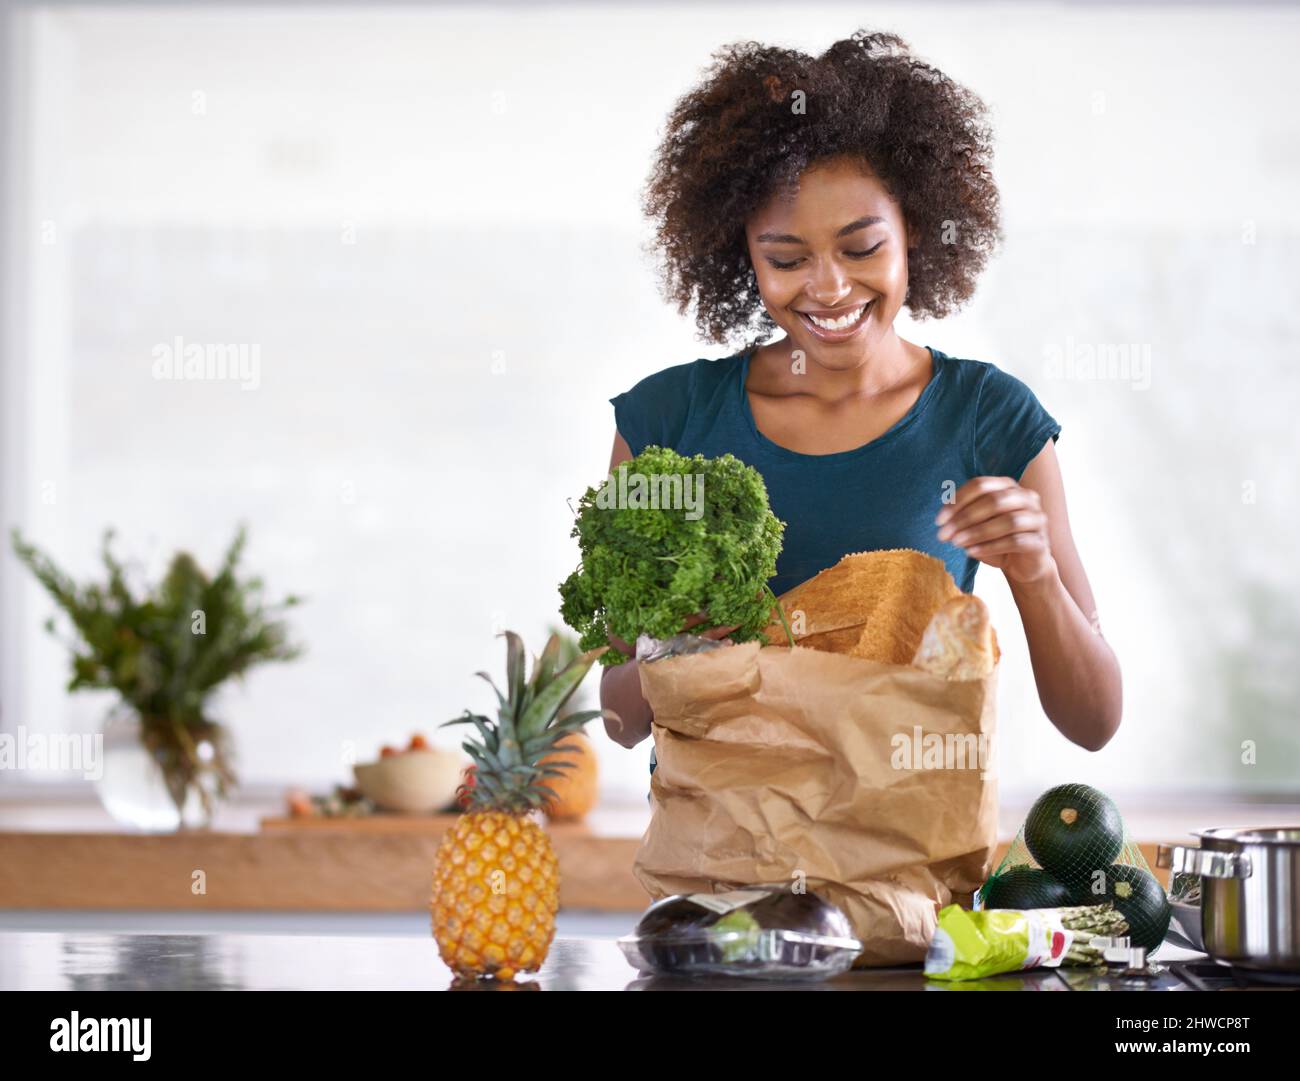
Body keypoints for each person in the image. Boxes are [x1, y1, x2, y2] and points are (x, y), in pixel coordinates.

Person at [600, 30, 1121, 785]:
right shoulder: (667, 420)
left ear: (914, 231)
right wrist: (665, 655)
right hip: (721, 877)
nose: (831, 287)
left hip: (907, 875)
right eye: (786, 259)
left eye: (862, 247)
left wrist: (1034, 573)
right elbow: (618, 723)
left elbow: (1095, 720)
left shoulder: (989, 417)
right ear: (741, 256)